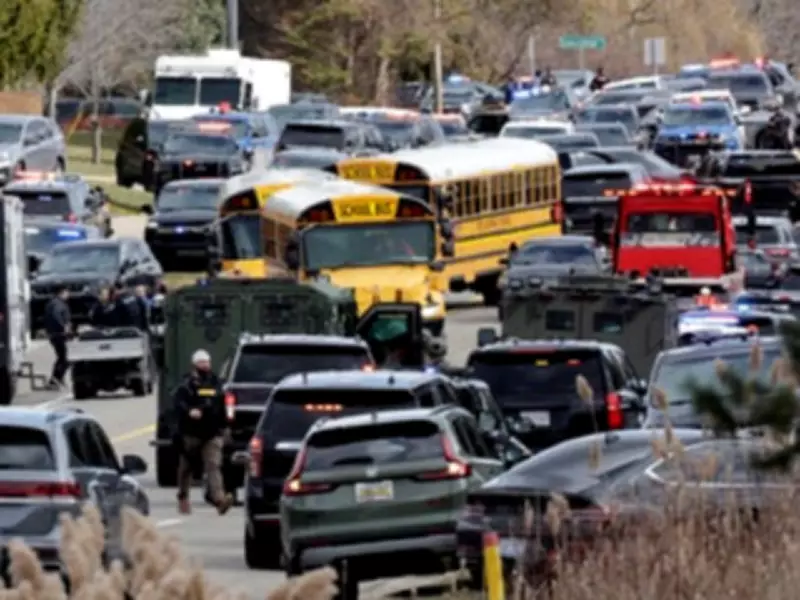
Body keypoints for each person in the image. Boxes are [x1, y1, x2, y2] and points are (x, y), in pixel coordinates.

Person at [172, 349, 232, 515]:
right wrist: (190, 411)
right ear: (194, 364)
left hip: (212, 434)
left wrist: (225, 427)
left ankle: (219, 499)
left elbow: (222, 406)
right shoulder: (186, 384)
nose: (205, 365)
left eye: (207, 362)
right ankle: (183, 496)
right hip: (191, 434)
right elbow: (178, 403)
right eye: (201, 362)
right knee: (186, 468)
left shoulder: (216, 383)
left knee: (213, 465)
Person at [43, 287, 71, 389]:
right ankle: (55, 378)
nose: (68, 295)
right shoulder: (58, 304)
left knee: (62, 357)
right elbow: (57, 315)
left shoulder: (52, 303)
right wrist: (64, 327)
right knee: (65, 357)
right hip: (59, 334)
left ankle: (57, 378)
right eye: (67, 293)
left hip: (54, 334)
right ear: (62, 293)